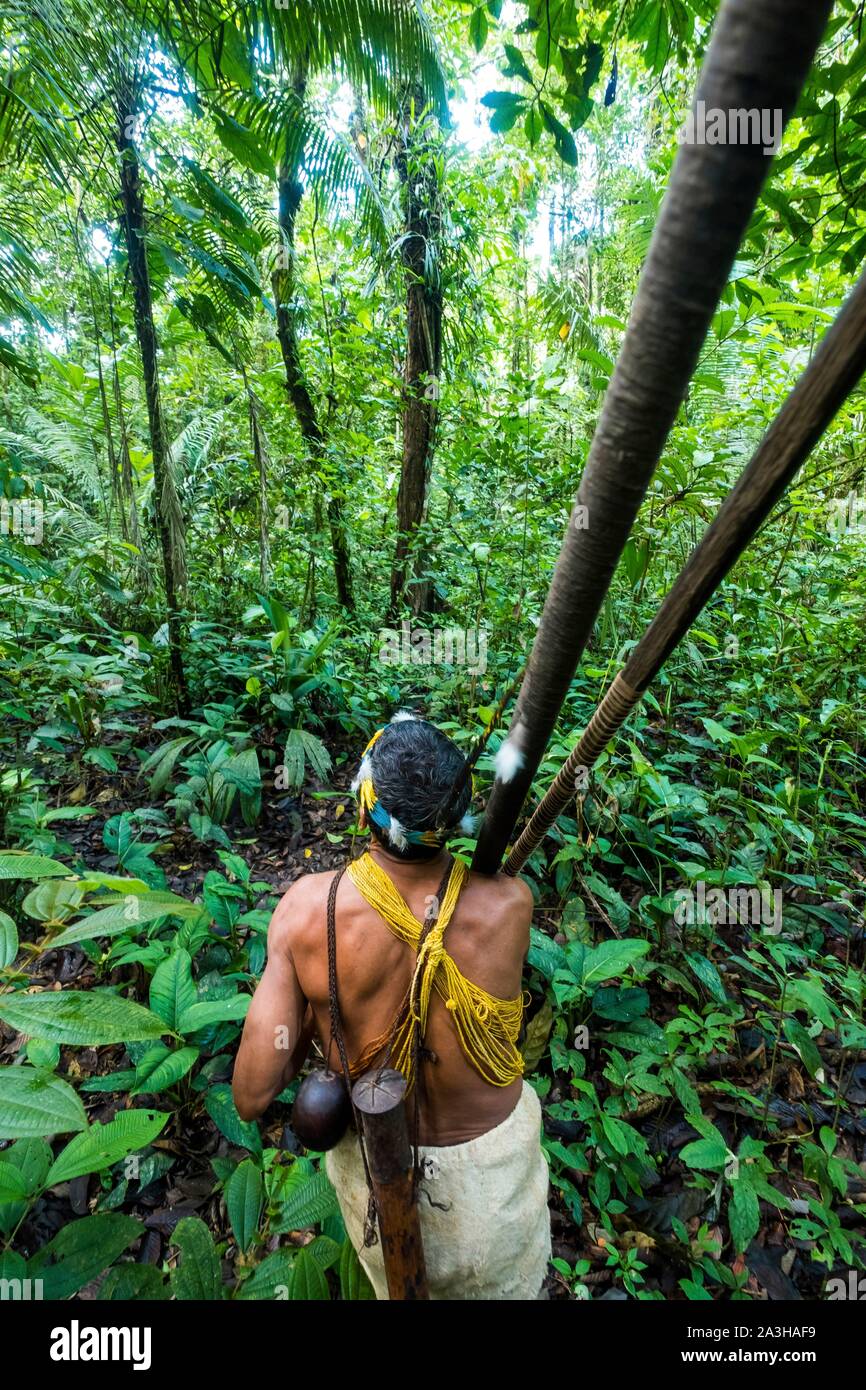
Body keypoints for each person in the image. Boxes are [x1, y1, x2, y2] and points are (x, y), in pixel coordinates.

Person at [232, 711, 551, 1299]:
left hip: (383, 1182)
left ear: (364, 808)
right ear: (454, 819)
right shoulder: (510, 905)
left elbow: (251, 1095)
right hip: (498, 1187)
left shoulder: (308, 913)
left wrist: (318, 1006)